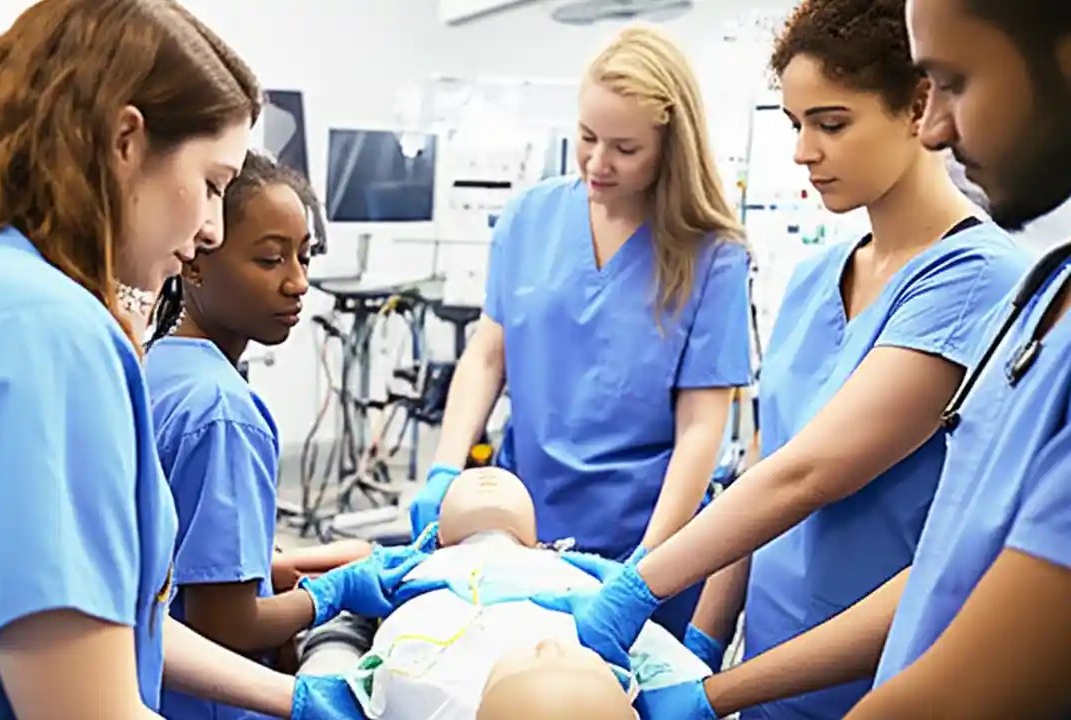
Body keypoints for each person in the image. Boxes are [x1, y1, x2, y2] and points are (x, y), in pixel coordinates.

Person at [0, 2, 433, 718]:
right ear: (127, 141)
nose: (209, 228)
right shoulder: (45, 334)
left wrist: (297, 697)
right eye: (212, 184)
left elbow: (100, 625)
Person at [537, 2, 1036, 716]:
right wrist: (705, 640)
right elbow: (762, 470)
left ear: (918, 107)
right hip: (767, 671)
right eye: (796, 124)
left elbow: (809, 474)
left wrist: (641, 587)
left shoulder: (975, 279)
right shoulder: (814, 279)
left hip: (873, 686)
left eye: (831, 124)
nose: (804, 151)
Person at [409, 23, 754, 641]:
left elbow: (703, 424)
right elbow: (488, 356)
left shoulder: (712, 256)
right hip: (522, 525)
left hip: (645, 532)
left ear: (669, 147)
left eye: (625, 148)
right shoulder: (529, 217)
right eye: (587, 137)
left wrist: (649, 565)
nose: (597, 162)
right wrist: (444, 470)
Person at [143, 150, 401, 720]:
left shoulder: (157, 365)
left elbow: (186, 566)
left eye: (304, 256)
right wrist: (330, 596)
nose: (297, 282)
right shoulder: (223, 412)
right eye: (269, 259)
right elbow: (226, 623)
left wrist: (310, 565)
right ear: (195, 262)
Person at [319, 468, 710, 719]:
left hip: (549, 685)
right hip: (437, 679)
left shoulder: (572, 568)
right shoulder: (411, 562)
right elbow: (349, 565)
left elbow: (643, 620)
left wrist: (687, 675)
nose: (487, 478)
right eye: (464, 482)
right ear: (437, 536)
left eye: (508, 482)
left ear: (541, 541)